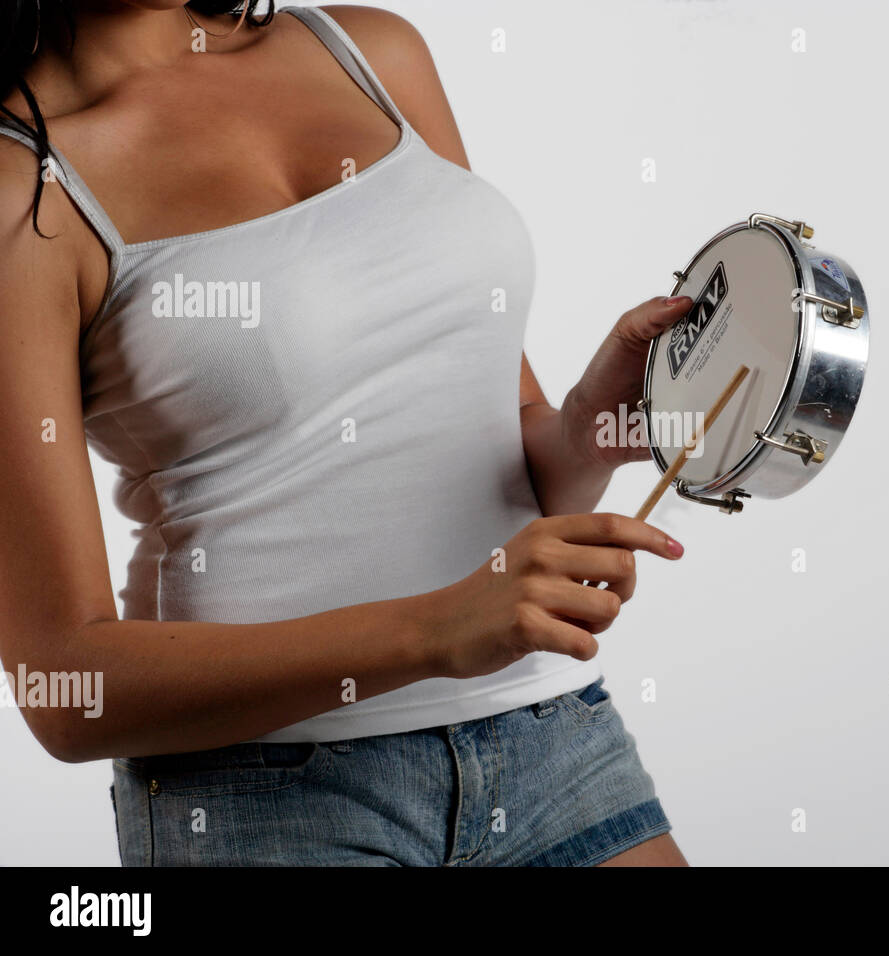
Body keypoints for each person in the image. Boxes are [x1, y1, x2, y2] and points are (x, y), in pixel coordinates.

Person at [0, 0, 692, 866]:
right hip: (271, 800)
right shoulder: (21, 185)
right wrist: (435, 629)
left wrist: (593, 424)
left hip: (555, 734)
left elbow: (504, 448)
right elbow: (67, 689)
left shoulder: (370, 51)